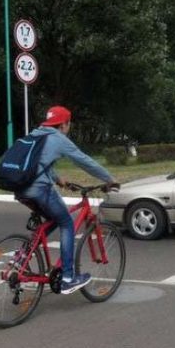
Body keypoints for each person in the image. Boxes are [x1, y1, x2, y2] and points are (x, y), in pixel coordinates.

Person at [19, 106, 119, 294]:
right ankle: (67, 278)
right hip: (39, 190)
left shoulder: (35, 134)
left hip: (20, 189)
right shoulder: (58, 138)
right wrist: (109, 179)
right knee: (66, 222)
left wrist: (58, 179)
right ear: (65, 124)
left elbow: (37, 163)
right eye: (68, 124)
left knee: (52, 220)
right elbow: (84, 161)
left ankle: (22, 255)